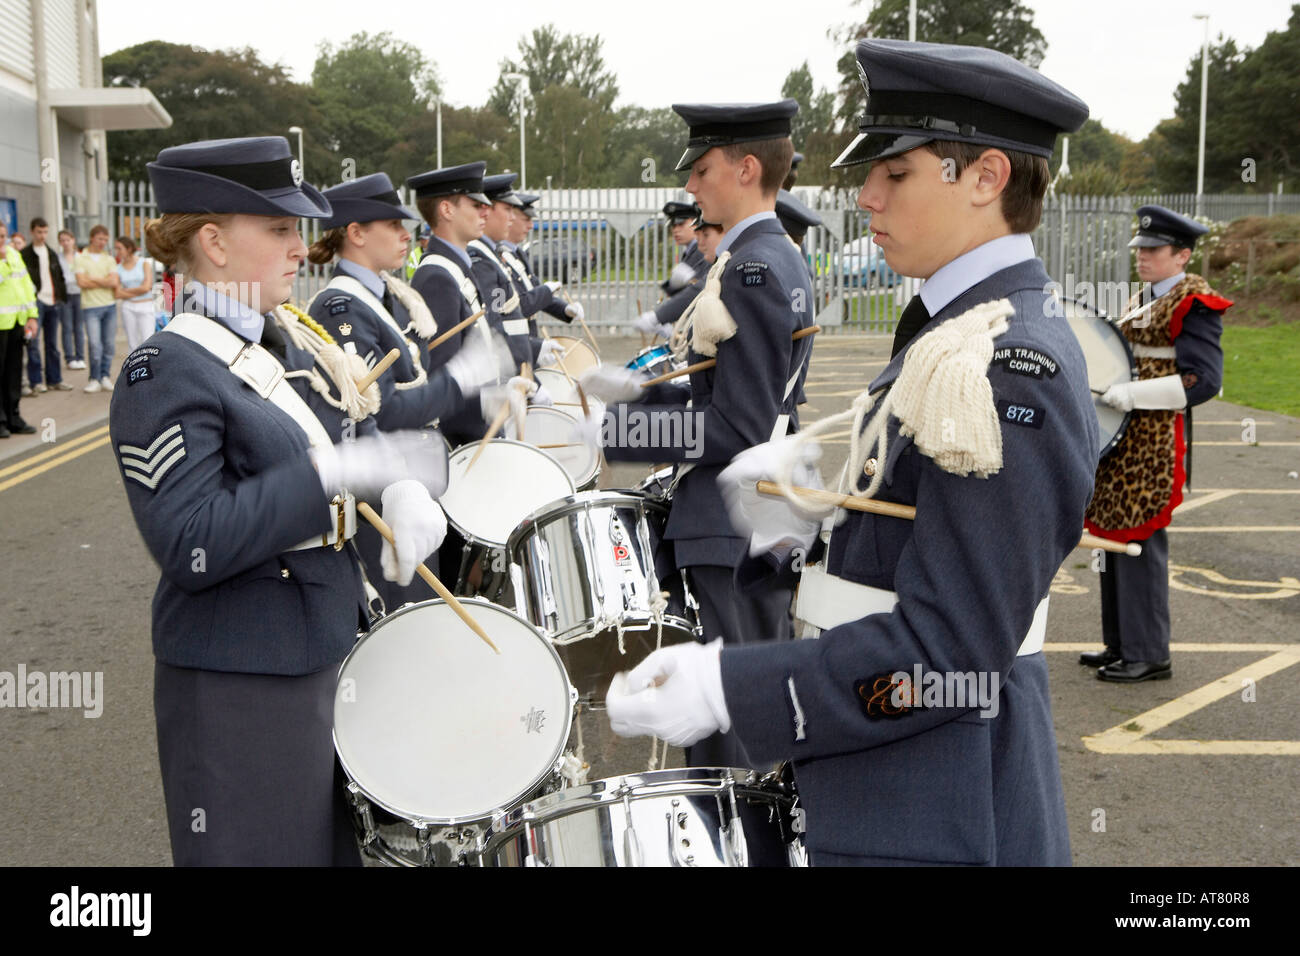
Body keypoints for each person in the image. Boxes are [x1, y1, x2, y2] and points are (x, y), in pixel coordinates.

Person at [605, 39, 1095, 866]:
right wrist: (794, 537)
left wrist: (735, 688)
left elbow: (952, 659)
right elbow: (911, 550)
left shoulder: (1008, 359)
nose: (865, 195)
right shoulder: (953, 329)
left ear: (985, 179)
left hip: (939, 806)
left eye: (896, 174)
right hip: (896, 784)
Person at [111, 136, 448, 865]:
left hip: (325, 650)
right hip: (243, 684)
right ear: (213, 243)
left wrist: (392, 484)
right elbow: (189, 541)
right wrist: (337, 473)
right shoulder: (162, 369)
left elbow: (345, 434)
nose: (301, 248)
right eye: (279, 229)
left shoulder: (288, 341)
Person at [584, 99, 815, 770]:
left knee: (730, 729)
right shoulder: (765, 256)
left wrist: (615, 431)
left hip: (734, 518)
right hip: (754, 510)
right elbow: (727, 393)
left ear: (746, 169)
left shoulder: (751, 267)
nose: (691, 185)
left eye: (703, 168)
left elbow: (737, 425)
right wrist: (640, 392)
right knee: (734, 704)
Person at [307, 171, 504, 611]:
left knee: (429, 612)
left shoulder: (386, 296)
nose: (405, 234)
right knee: (407, 621)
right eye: (392, 226)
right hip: (385, 493)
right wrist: (459, 381)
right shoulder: (342, 307)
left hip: (416, 474)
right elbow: (385, 411)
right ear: (356, 233)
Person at [1080, 205, 1230, 682]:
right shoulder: (1143, 296)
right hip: (1125, 441)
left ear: (1182, 255)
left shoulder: (1194, 302)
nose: (1142, 256)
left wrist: (1135, 395)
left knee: (1141, 543)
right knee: (1112, 537)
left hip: (1158, 444)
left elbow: (1203, 381)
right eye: (1140, 249)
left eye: (1153, 249)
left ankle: (1149, 653)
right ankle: (1120, 644)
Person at [407, 162, 529, 443]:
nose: (486, 210)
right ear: (447, 210)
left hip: (482, 433)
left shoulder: (457, 267)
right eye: (475, 205)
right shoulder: (437, 277)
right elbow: (442, 381)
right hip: (465, 442)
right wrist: (491, 402)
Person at [467, 173, 562, 374]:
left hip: (519, 361)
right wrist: (532, 352)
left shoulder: (493, 254)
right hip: (508, 368)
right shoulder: (481, 259)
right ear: (487, 210)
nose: (512, 217)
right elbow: (497, 322)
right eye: (508, 209)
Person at [497, 191, 584, 333]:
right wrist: (545, 291)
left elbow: (534, 291)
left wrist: (565, 309)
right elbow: (513, 306)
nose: (531, 226)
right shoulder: (498, 255)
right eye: (526, 219)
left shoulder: (517, 252)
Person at [632, 200, 707, 341]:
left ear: (696, 224)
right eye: (673, 225)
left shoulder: (702, 250)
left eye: (681, 224)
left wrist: (659, 316)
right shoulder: (690, 251)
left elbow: (699, 290)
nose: (675, 229)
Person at [20, 217, 72, 391]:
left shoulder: (51, 253)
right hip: (36, 302)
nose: (42, 236)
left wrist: (60, 296)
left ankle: (54, 379)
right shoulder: (25, 255)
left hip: (53, 302)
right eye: (39, 232)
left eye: (45, 232)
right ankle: (36, 381)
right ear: (32, 232)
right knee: (33, 343)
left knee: (52, 344)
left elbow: (59, 277)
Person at [0, 222, 39, 437]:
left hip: (16, 322)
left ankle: (14, 417)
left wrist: (32, 315)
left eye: (3, 235)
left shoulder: (14, 255)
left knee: (14, 373)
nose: (2, 240)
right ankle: (0, 421)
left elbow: (26, 286)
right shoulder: (5, 259)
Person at [75, 225, 120, 393]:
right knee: (95, 345)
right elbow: (81, 282)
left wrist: (92, 279)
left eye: (105, 240)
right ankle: (94, 378)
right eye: (100, 239)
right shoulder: (81, 258)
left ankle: (105, 376)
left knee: (108, 344)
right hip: (90, 307)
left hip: (109, 306)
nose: (103, 243)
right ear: (92, 237)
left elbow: (114, 282)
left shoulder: (109, 259)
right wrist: (103, 280)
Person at [114, 235, 156, 352]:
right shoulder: (117, 268)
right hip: (128, 307)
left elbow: (147, 287)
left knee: (148, 341)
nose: (117, 251)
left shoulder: (144, 263)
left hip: (146, 306)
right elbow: (117, 293)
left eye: (119, 248)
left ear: (128, 248)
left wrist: (126, 291)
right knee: (132, 344)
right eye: (116, 248)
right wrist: (140, 289)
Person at [57, 230, 87, 370]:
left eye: (67, 240)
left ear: (73, 240)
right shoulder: (57, 258)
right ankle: (69, 358)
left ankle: (80, 357)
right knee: (67, 328)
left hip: (79, 294)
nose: (65, 243)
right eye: (62, 240)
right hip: (64, 296)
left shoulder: (80, 257)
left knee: (79, 328)